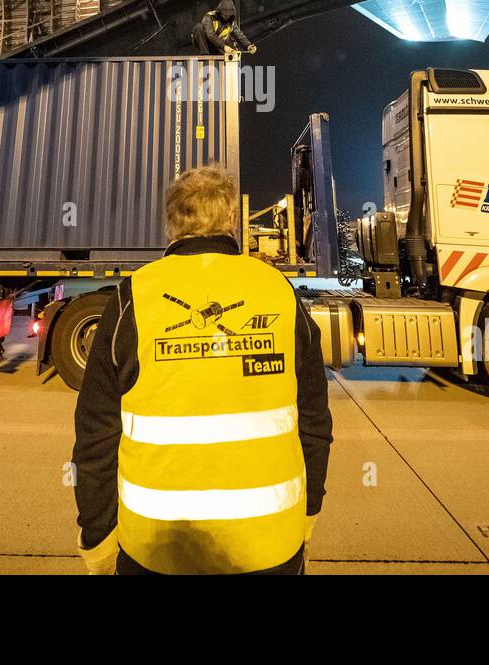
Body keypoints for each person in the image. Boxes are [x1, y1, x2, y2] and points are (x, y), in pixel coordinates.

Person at [72, 166, 332, 575]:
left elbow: (95, 436)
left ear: (171, 226)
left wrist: (98, 539)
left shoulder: (132, 298)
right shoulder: (279, 291)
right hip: (270, 548)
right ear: (232, 221)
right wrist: (308, 516)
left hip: (155, 552)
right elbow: (315, 424)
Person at [191, 0, 256, 56]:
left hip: (218, 47)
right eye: (225, 15)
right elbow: (211, 35)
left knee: (233, 47)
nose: (227, 17)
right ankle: (204, 55)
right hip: (207, 45)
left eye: (229, 15)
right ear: (220, 12)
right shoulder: (210, 17)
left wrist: (248, 45)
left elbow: (239, 34)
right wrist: (224, 47)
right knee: (199, 27)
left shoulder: (231, 22)